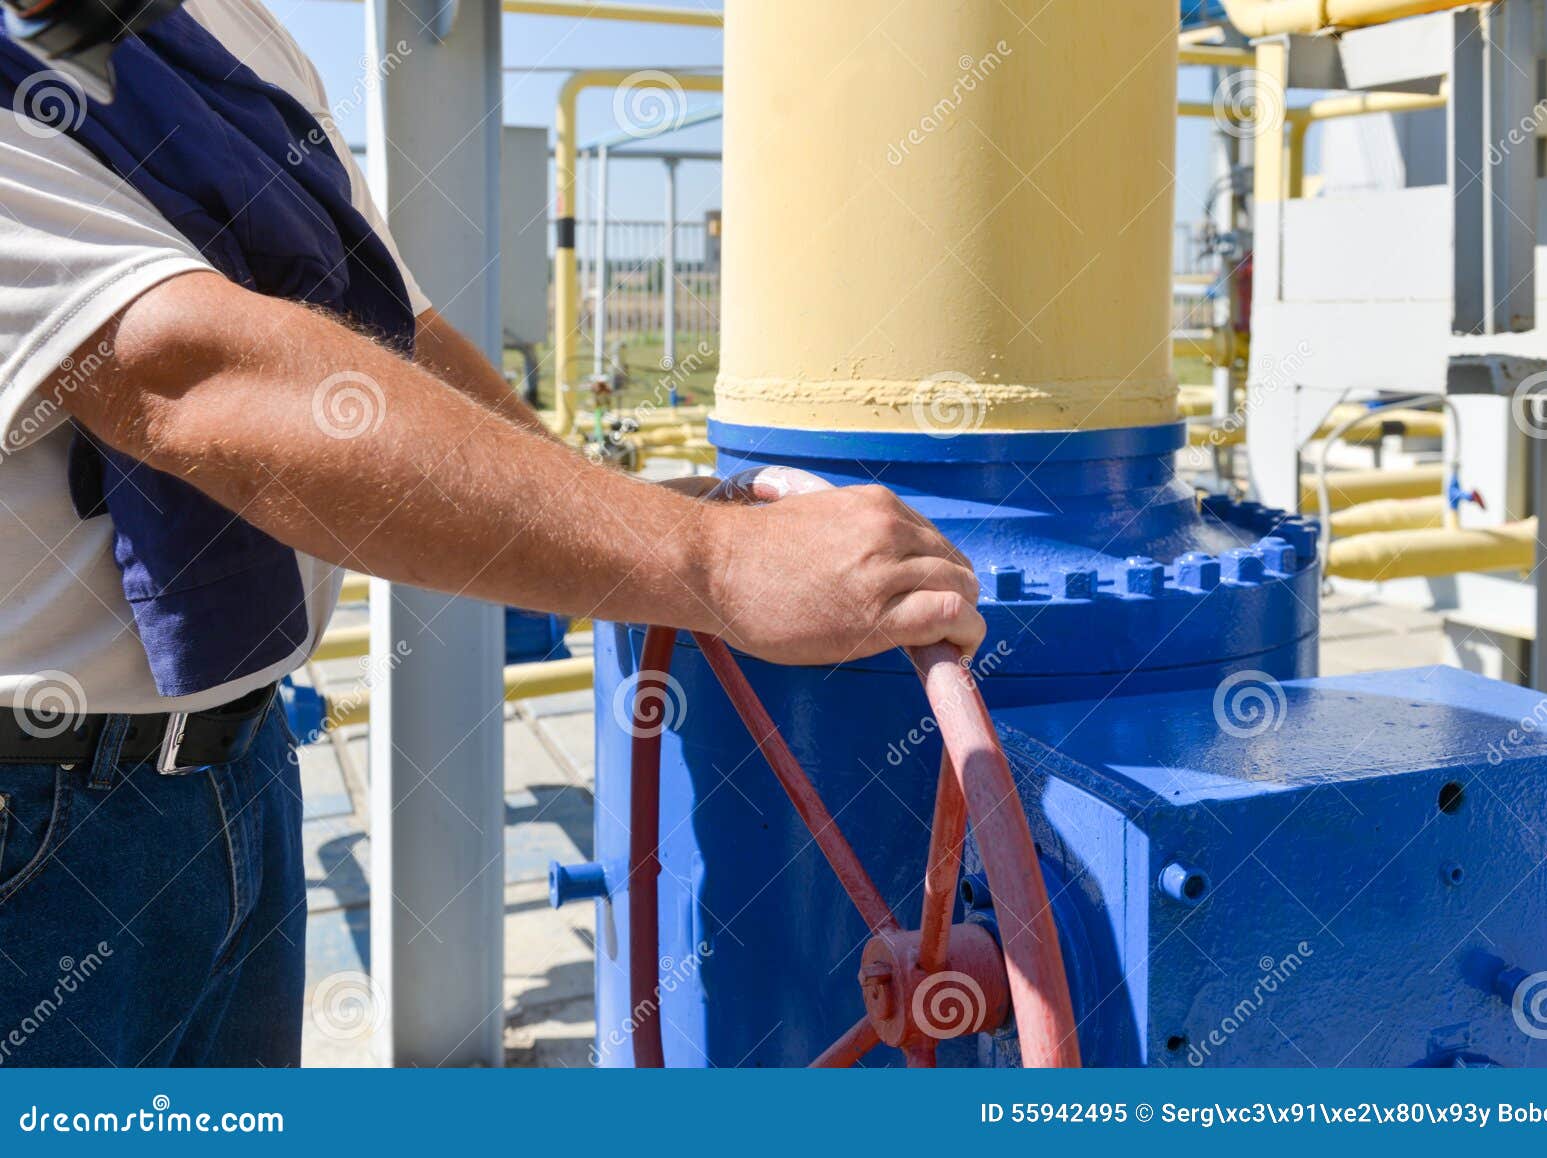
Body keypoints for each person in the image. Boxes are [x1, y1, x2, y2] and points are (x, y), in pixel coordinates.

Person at [0, 0, 981, 1066]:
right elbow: (189, 372)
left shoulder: (219, 26)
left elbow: (391, 333)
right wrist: (711, 563)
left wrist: (619, 507)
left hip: (238, 771)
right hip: (41, 824)